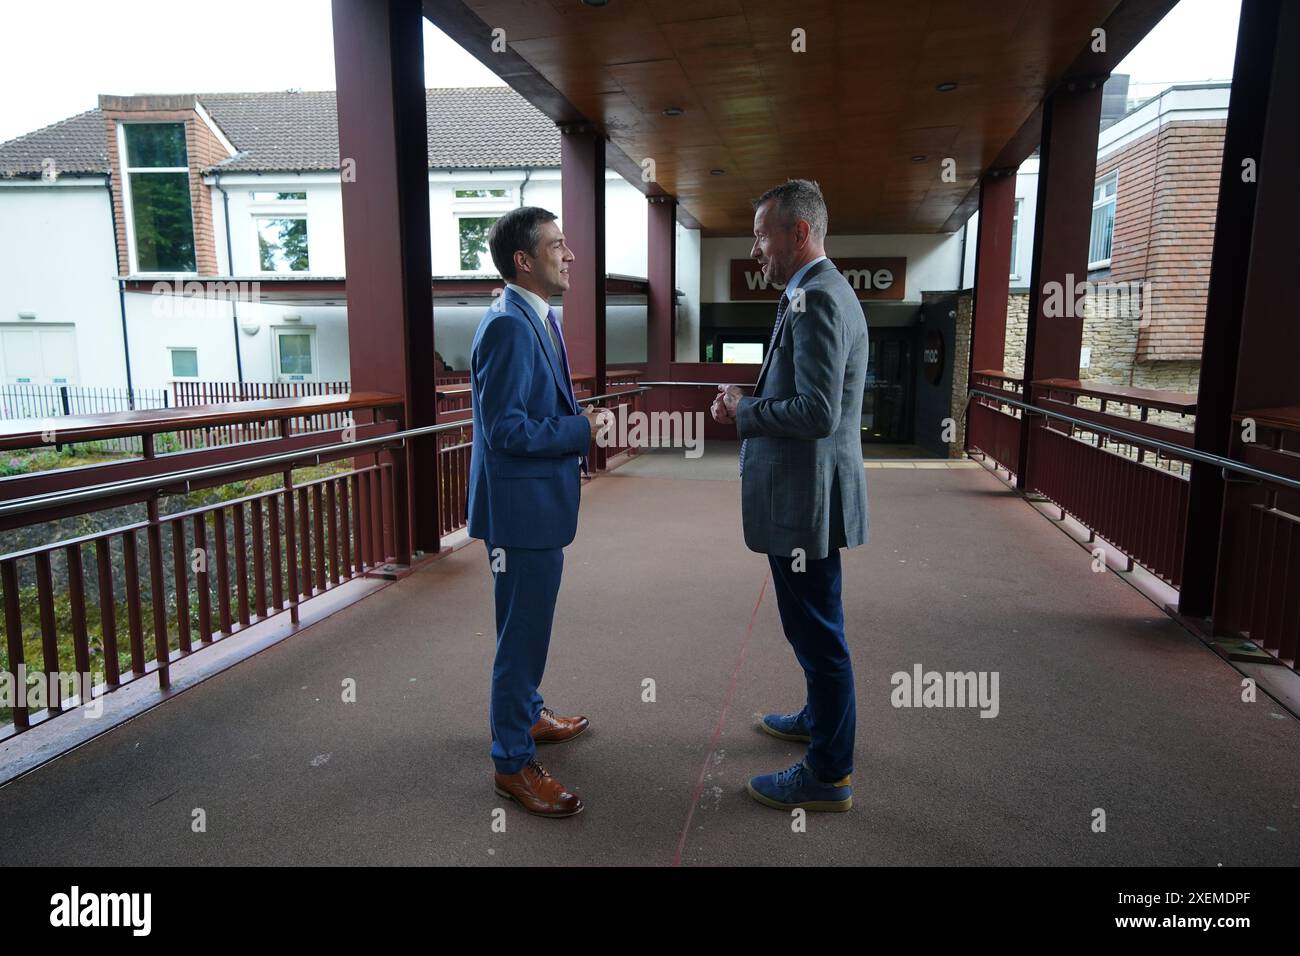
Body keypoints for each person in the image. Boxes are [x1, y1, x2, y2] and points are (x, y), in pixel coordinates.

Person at [712, 179, 869, 812]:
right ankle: (819, 719)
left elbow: (816, 412)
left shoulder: (819, 300)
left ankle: (829, 775)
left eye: (760, 234)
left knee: (818, 635)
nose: (755, 249)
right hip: (810, 497)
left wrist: (745, 409)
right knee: (814, 628)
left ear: (797, 233)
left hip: (807, 503)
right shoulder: (814, 292)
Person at [467, 205, 614, 818]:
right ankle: (512, 764)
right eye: (556, 245)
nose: (570, 253)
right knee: (521, 639)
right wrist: (581, 430)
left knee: (523, 629)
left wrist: (578, 426)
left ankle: (526, 716)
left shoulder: (534, 318)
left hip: (532, 507)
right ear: (523, 260)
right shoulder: (508, 325)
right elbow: (506, 431)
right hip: (520, 513)